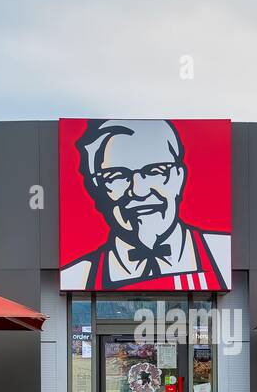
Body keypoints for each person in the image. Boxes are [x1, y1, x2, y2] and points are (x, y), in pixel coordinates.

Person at [61, 119, 229, 291]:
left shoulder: (223, 255)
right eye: (117, 175)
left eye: (155, 171)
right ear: (97, 189)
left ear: (179, 177)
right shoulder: (77, 276)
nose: (139, 191)